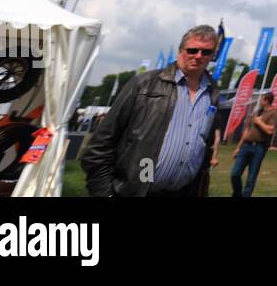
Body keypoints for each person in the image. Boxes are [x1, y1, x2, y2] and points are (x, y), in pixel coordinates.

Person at [80, 25, 220, 197]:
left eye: (206, 52)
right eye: (192, 50)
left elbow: (204, 145)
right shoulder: (145, 84)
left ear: (213, 55)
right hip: (136, 191)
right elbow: (100, 145)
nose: (198, 56)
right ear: (180, 51)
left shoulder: (212, 92)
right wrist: (104, 193)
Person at [230, 92, 277, 197]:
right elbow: (247, 131)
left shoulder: (273, 113)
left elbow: (270, 131)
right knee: (235, 173)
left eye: (262, 99)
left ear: (266, 101)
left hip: (259, 148)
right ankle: (237, 194)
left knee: (251, 176)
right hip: (246, 145)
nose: (260, 101)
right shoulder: (256, 113)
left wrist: (259, 122)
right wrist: (238, 147)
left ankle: (246, 195)